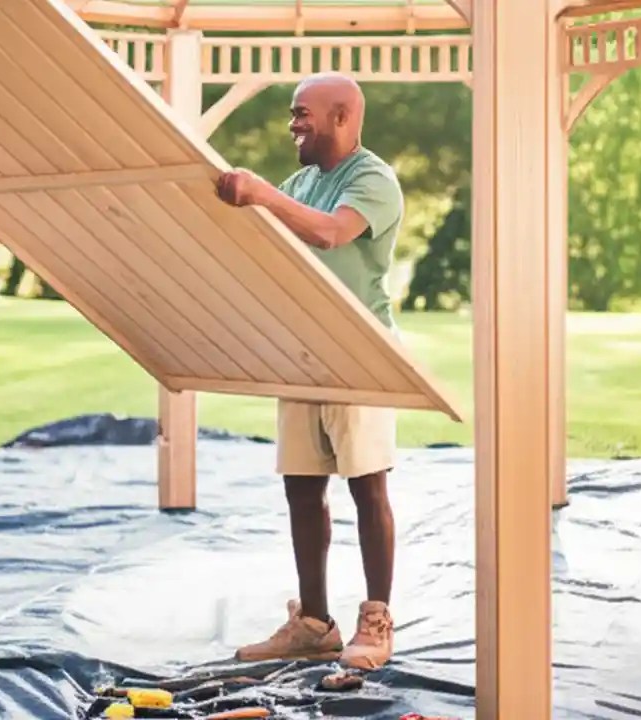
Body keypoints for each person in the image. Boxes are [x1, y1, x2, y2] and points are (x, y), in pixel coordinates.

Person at [214, 73, 405, 671]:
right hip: (302, 352)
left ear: (342, 115)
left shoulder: (373, 178)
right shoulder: (301, 181)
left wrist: (262, 194)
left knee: (366, 485)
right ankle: (316, 624)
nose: (293, 124)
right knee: (301, 485)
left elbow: (329, 233)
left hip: (359, 353)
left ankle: (374, 621)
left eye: (303, 114)